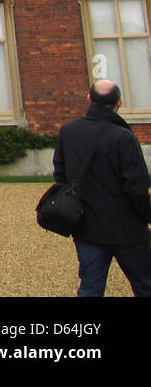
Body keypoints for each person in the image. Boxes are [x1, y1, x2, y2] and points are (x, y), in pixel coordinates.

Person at [53, 79, 151, 296]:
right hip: (127, 230)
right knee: (146, 286)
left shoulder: (69, 132)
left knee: (90, 288)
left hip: (86, 226)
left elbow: (60, 176)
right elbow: (137, 189)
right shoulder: (124, 137)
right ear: (120, 103)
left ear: (89, 99)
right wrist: (147, 216)